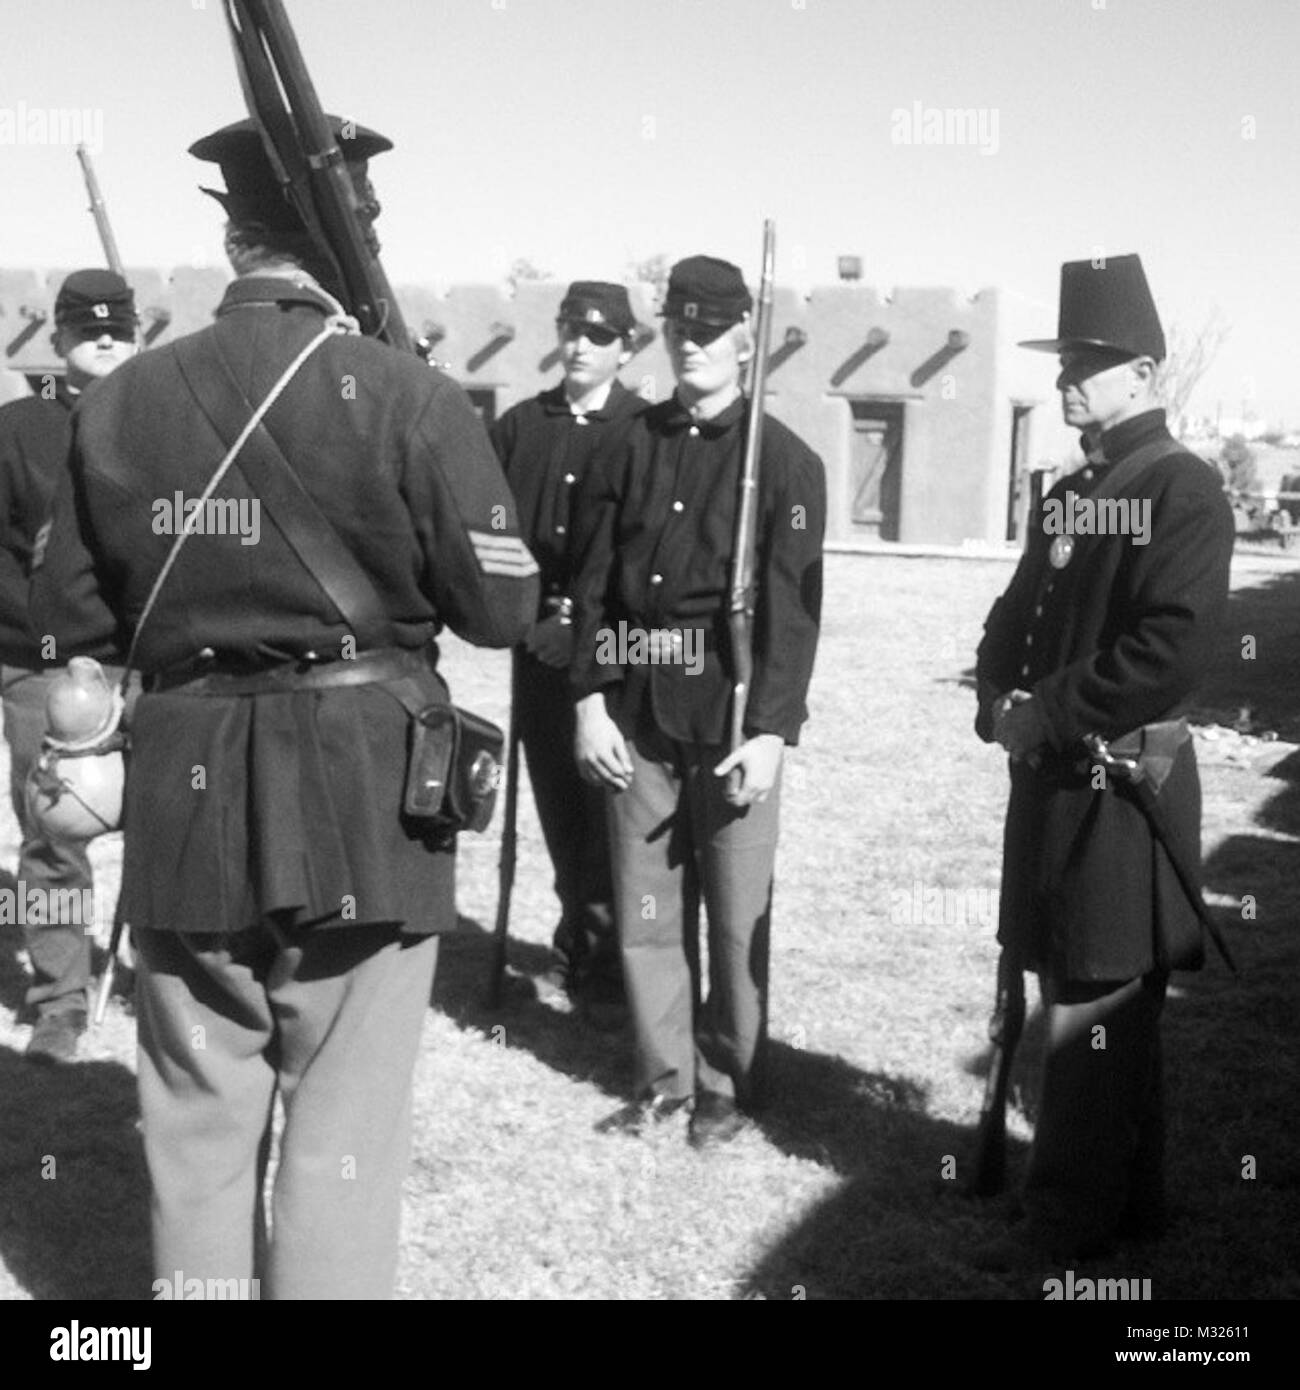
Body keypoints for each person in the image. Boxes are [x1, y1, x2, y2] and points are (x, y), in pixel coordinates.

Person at [30, 116, 538, 1299]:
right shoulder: (409, 393)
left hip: (183, 780)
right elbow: (502, 611)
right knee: (341, 1133)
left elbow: (70, 618)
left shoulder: (117, 404)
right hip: (366, 785)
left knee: (197, 1127)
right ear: (343, 236)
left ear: (236, 233)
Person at [974, 253, 1235, 1261]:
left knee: (1096, 1004)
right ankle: (1129, 1205)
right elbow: (1017, 611)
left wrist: (1048, 708)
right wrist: (998, 689)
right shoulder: (1074, 488)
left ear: (1144, 372)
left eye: (1088, 360)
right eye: (1064, 359)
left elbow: (1168, 650)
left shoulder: (1182, 488)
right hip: (1056, 779)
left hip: (1121, 788)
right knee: (1082, 995)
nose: (1065, 379)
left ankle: (1062, 1222)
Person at [572, 255, 825, 1149]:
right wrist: (592, 700)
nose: (693, 346)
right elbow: (597, 585)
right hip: (638, 711)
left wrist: (771, 735)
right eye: (680, 329)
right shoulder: (626, 444)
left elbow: (793, 618)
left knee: (733, 911)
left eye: (711, 332)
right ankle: (664, 1078)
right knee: (647, 906)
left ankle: (727, 1079)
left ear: (746, 340)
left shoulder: (788, 466)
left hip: (730, 717)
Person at [489, 282, 647, 1013]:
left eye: (600, 334)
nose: (582, 345)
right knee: (558, 806)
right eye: (572, 330)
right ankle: (576, 945)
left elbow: (641, 563)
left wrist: (581, 633)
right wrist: (528, 623)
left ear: (626, 346)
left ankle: (618, 962)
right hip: (538, 655)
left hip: (614, 659)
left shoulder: (644, 430)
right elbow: (492, 539)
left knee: (610, 814)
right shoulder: (521, 426)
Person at [1, 269, 138, 1062]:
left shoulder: (171, 423)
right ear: (56, 340)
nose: (104, 338)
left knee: (171, 832)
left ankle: (172, 986)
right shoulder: (18, 428)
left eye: (117, 327)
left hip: (156, 666)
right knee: (53, 841)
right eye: (86, 330)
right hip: (45, 674)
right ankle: (58, 999)